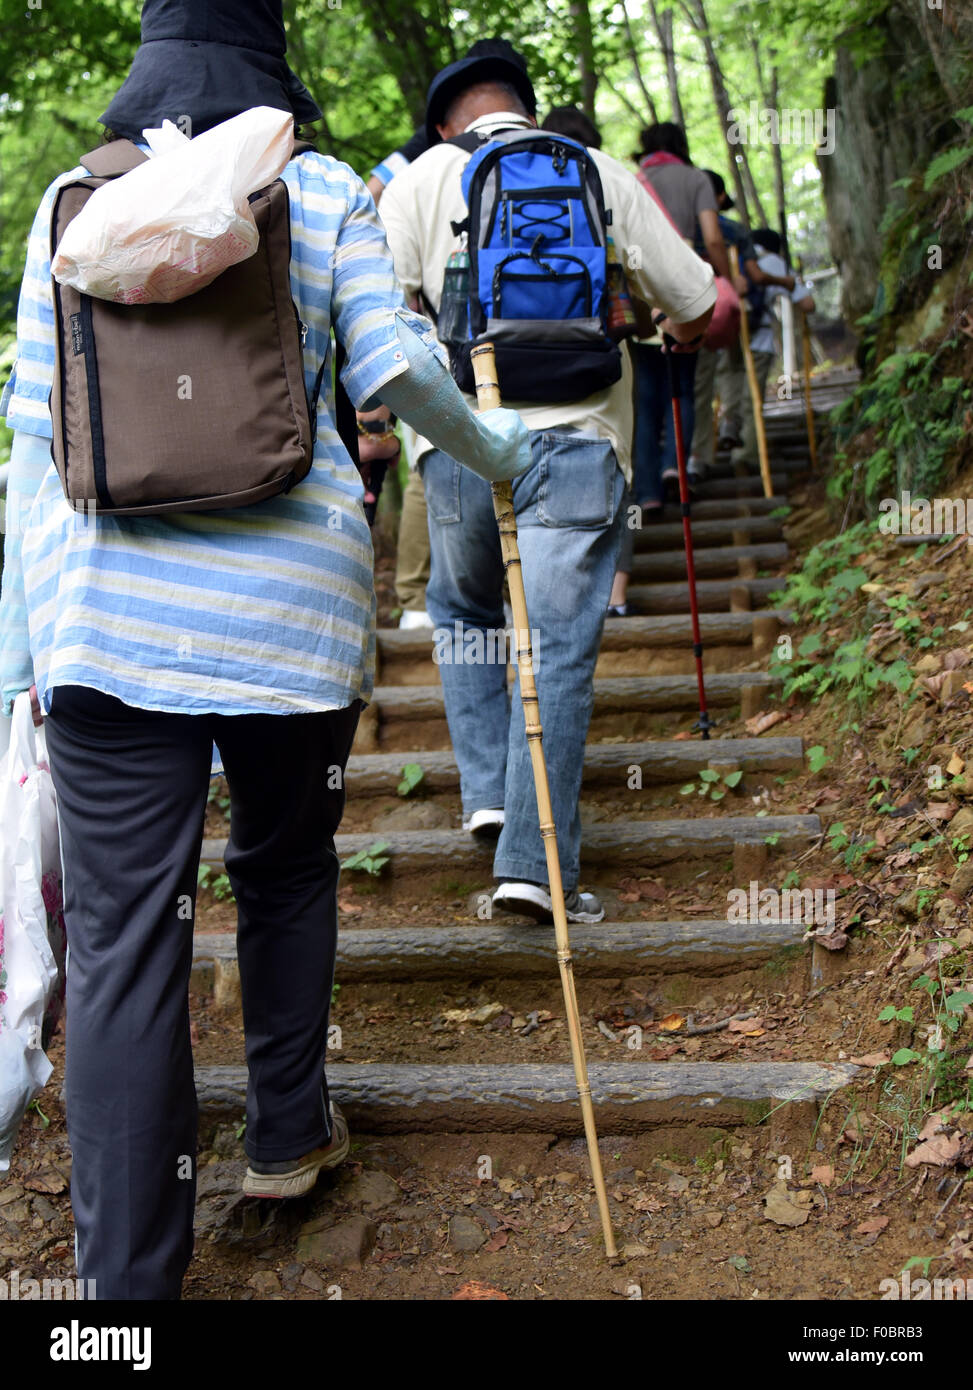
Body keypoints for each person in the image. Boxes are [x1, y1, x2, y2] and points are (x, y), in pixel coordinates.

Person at [0, 0, 531, 1301]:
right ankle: (286, 1133)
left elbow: (24, 449)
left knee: (127, 939)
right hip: (291, 616)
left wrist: (21, 660)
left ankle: (122, 1301)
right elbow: (395, 373)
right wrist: (507, 461)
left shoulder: (71, 201)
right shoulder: (325, 185)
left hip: (106, 621)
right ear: (267, 65)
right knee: (286, 869)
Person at [379, 49, 715, 925]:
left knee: (462, 611)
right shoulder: (594, 171)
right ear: (525, 112)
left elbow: (384, 322)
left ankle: (489, 791)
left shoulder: (417, 182)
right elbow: (697, 302)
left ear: (449, 123)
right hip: (578, 438)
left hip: (458, 438)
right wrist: (655, 324)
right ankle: (535, 868)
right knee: (557, 649)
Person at [630, 123, 740, 513]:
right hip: (683, 293)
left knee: (645, 399)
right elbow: (712, 238)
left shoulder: (631, 180)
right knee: (685, 390)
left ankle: (645, 492)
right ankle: (675, 468)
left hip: (642, 298)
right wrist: (727, 281)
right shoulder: (696, 179)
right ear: (681, 145)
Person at [690, 171, 798, 477]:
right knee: (737, 366)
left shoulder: (681, 229)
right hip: (735, 312)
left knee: (702, 385)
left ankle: (699, 455)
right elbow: (754, 275)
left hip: (695, 312)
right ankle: (731, 422)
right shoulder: (734, 231)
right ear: (721, 198)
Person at [731, 227, 815, 472]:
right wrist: (792, 282)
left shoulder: (733, 255)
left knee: (733, 393)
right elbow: (807, 304)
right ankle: (748, 452)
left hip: (729, 336)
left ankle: (726, 441)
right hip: (759, 339)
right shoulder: (773, 262)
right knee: (752, 396)